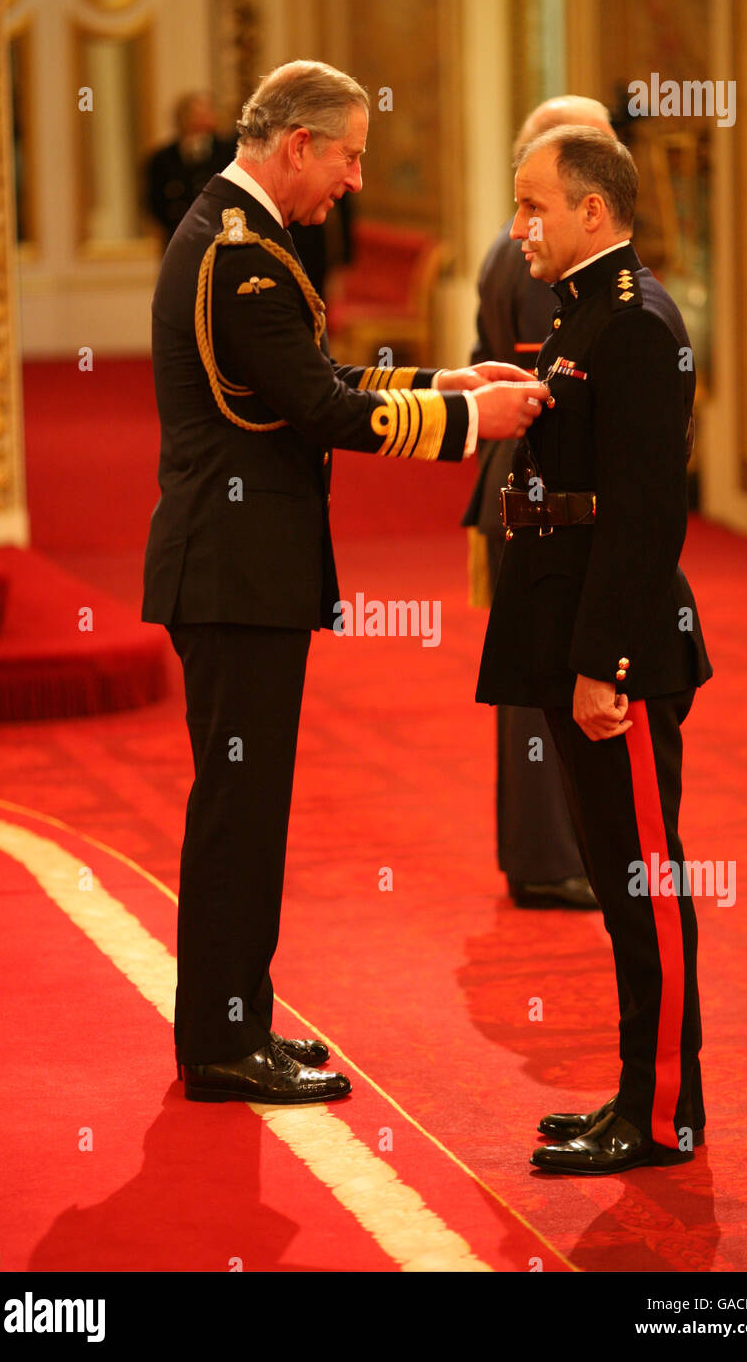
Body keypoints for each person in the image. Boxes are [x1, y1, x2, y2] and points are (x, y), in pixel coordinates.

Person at [142, 60, 548, 1107]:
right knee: (240, 808)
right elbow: (323, 415)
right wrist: (468, 426)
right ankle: (223, 1045)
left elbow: (306, 385)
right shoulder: (242, 259)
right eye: (349, 154)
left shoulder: (246, 242)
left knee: (247, 805)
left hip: (240, 568)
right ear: (295, 146)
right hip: (233, 573)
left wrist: (445, 380)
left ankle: (235, 1022)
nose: (356, 178)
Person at [476, 126, 713, 1173]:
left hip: (613, 651)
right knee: (618, 885)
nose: (517, 225)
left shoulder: (635, 321)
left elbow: (645, 515)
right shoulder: (583, 310)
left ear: (591, 210)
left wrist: (602, 664)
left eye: (533, 205)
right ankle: (629, 1097)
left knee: (644, 887)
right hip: (565, 623)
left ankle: (662, 1115)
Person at [463, 96, 617, 913]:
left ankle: (550, 854)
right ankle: (546, 859)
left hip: (519, 491)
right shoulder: (533, 256)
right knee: (534, 691)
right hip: (533, 494)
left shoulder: (507, 247)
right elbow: (545, 396)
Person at [146, 92, 237, 245]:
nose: (202, 119)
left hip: (220, 235)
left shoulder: (229, 152)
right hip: (179, 235)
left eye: (206, 113)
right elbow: (155, 202)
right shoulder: (162, 159)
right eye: (195, 114)